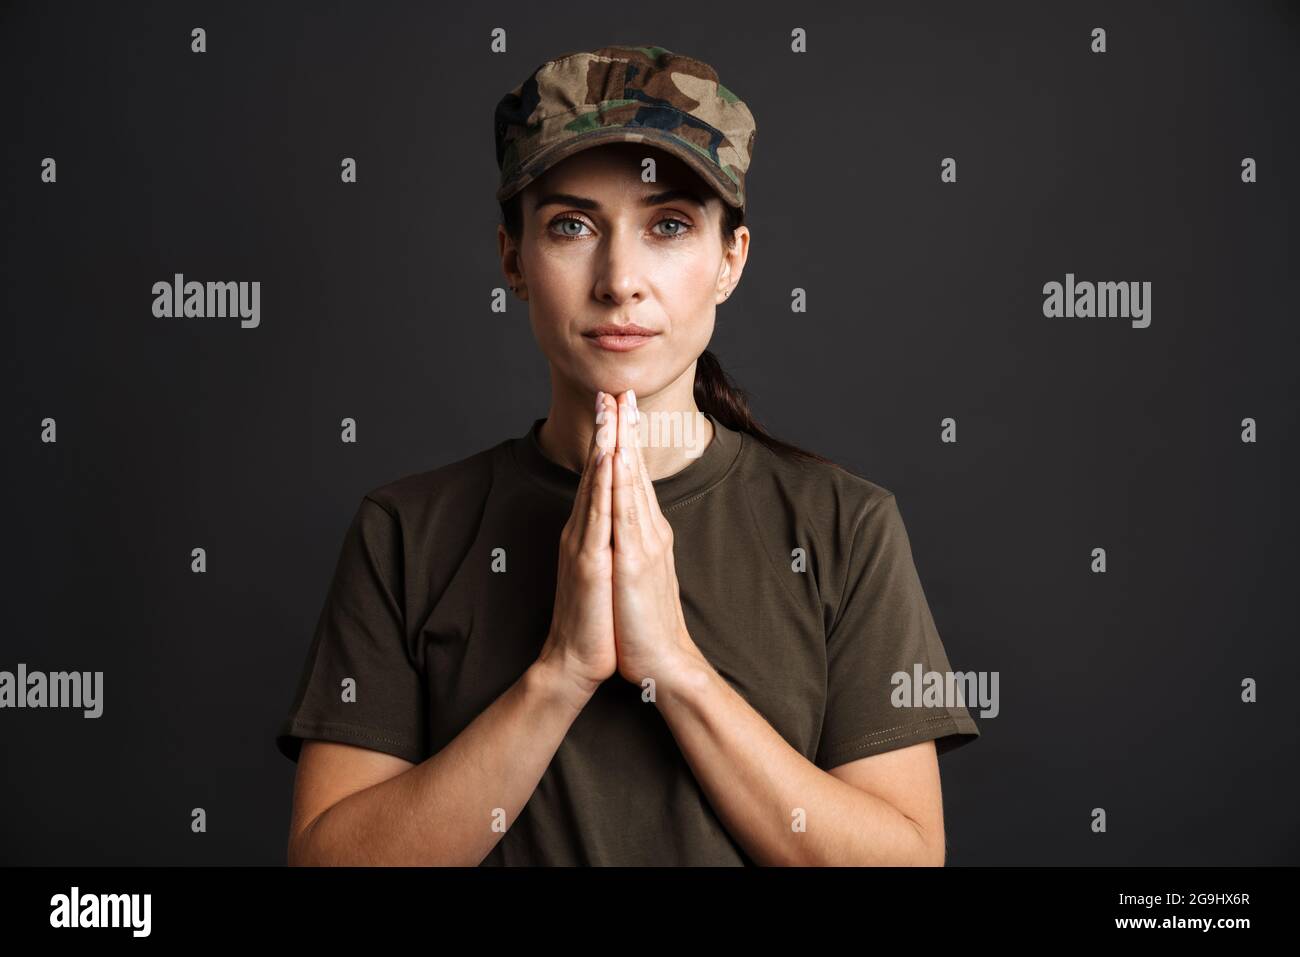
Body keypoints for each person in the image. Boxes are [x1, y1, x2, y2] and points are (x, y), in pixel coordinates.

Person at [275, 44, 979, 866]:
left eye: (669, 226)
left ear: (731, 260)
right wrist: (561, 671)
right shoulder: (405, 531)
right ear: (514, 259)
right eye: (572, 226)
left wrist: (676, 669)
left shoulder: (844, 525)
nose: (619, 279)